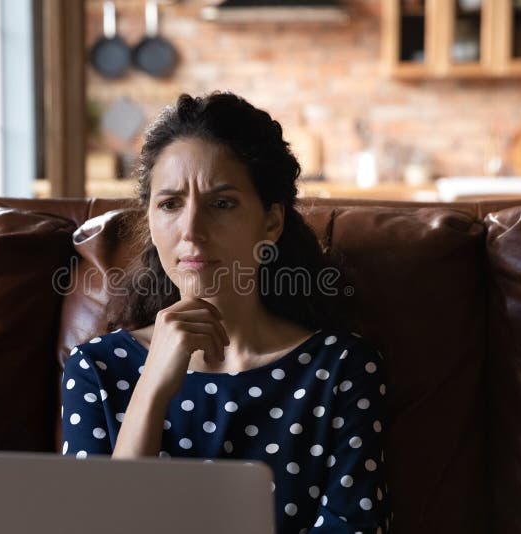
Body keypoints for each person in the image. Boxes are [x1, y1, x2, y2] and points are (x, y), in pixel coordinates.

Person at [61, 92, 391, 533]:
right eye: (170, 204)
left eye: (222, 203)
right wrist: (151, 387)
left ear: (271, 222)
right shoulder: (97, 369)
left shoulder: (341, 368)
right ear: (151, 220)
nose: (191, 231)